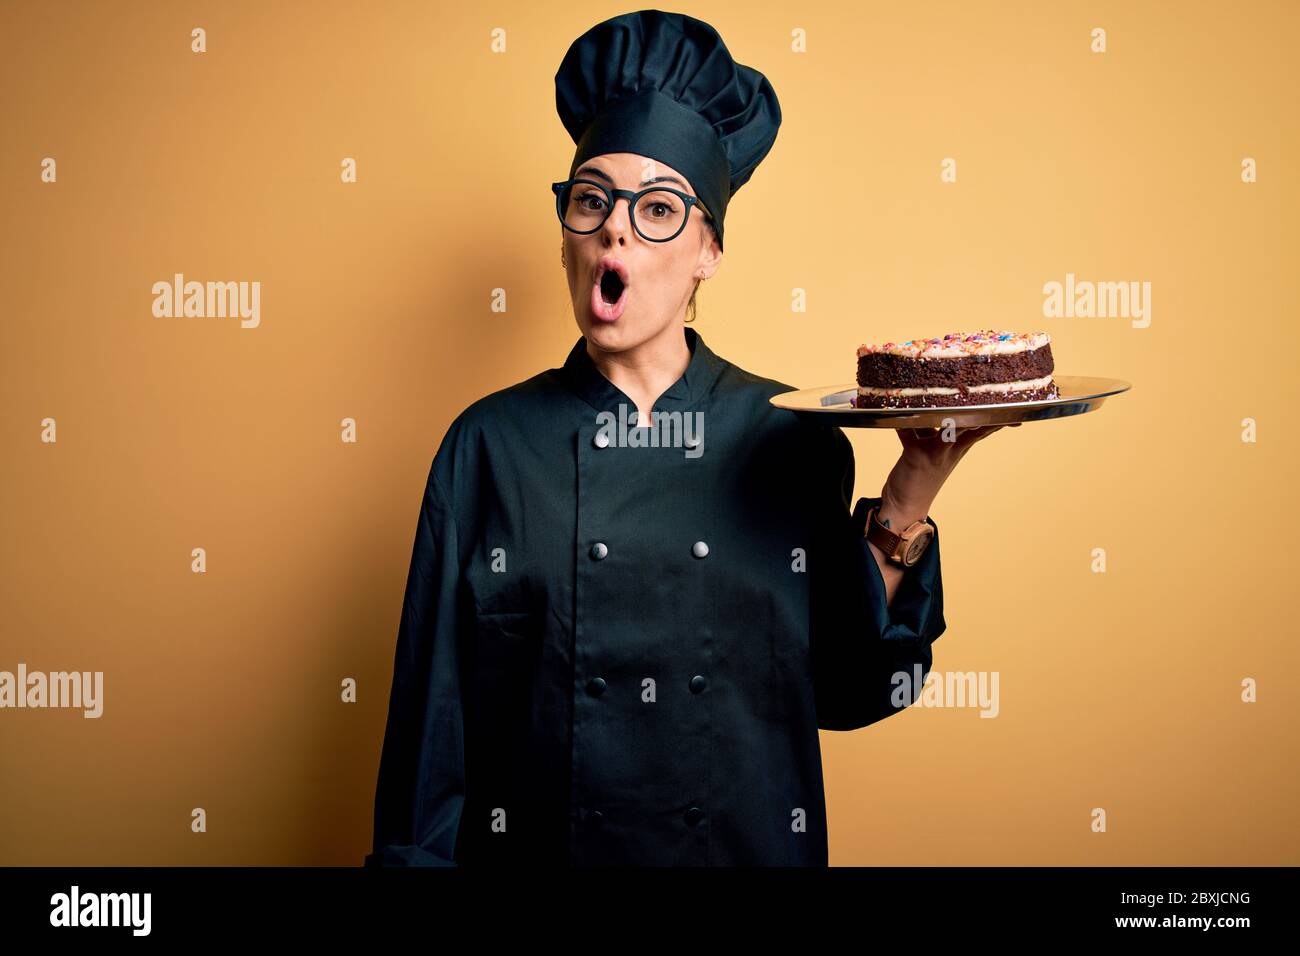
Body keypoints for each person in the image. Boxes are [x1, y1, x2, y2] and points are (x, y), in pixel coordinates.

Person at [365, 9, 1012, 868]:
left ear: (709, 249)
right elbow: (429, 738)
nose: (617, 228)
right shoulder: (486, 448)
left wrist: (913, 488)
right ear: (567, 236)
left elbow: (856, 691)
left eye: (660, 207)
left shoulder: (794, 438)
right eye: (591, 198)